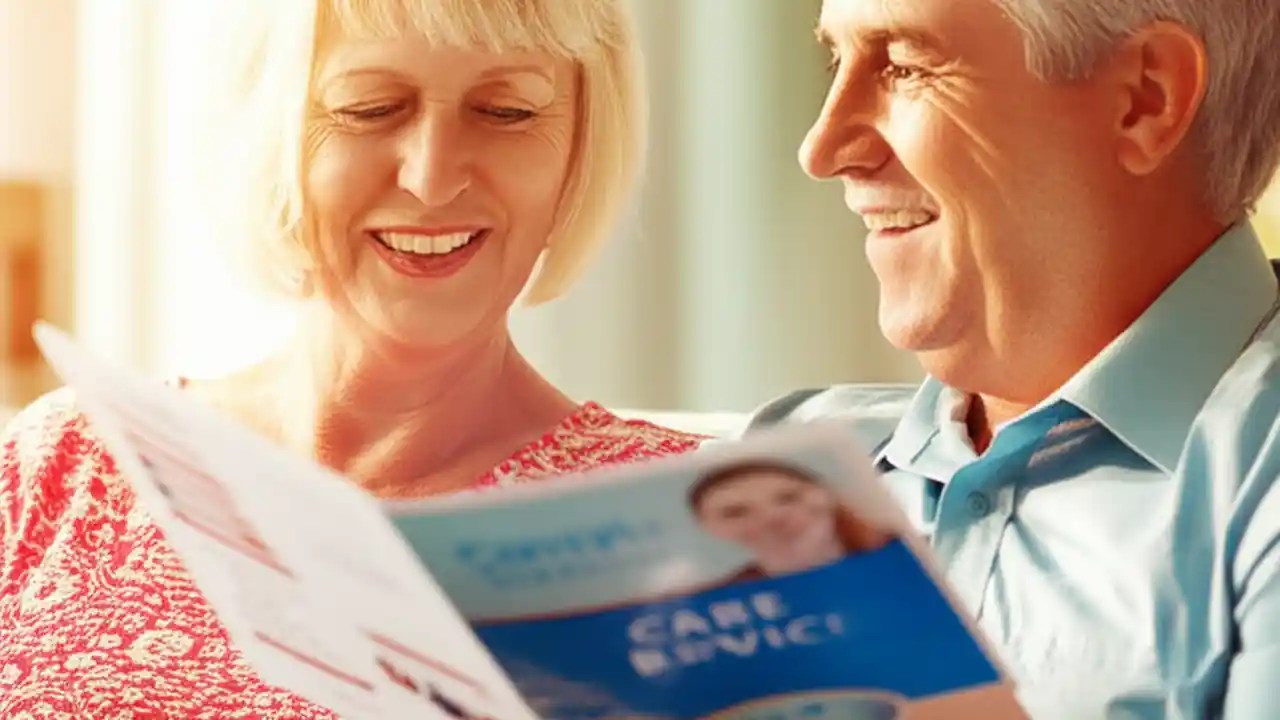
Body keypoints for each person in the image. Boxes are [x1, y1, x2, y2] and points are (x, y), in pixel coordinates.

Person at [0, 0, 701, 716]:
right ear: (268, 132)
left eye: (506, 111)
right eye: (369, 109)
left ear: (582, 147)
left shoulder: (692, 519)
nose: (432, 178)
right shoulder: (66, 458)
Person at [746, 0, 1280, 717]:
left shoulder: (1255, 478)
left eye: (904, 65)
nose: (823, 146)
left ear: (1144, 98)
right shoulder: (784, 460)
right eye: (836, 61)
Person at [689, 460, 894, 583]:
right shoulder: (726, 598)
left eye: (788, 498)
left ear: (826, 496)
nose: (772, 517)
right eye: (736, 512)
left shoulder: (900, 553)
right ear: (709, 527)